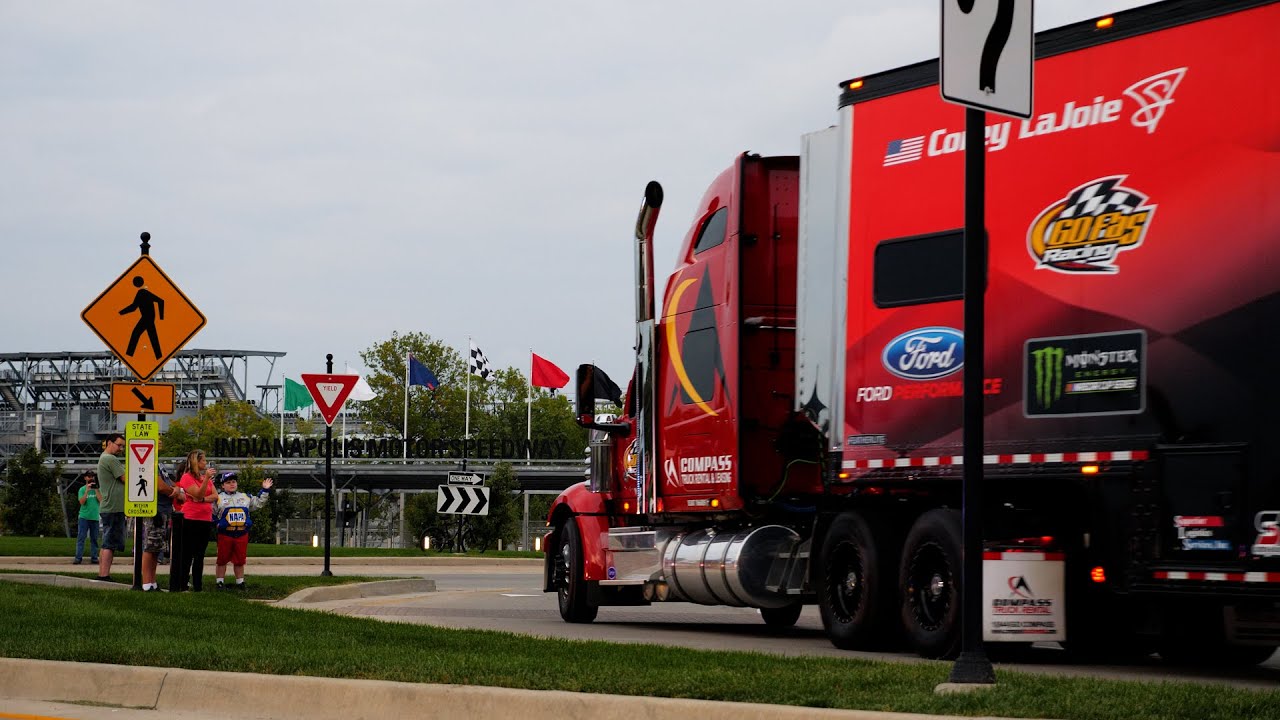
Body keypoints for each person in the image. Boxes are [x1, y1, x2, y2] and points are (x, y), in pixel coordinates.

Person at [213, 472, 274, 590]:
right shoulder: (218, 498)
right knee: (222, 558)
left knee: (240, 559)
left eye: (234, 482)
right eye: (228, 482)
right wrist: (217, 524)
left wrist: (265, 490)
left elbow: (259, 503)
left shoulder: (245, 497)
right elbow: (211, 513)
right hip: (225, 534)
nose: (232, 484)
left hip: (242, 533)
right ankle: (219, 582)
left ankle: (240, 582)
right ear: (222, 486)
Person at [174, 449, 216, 592]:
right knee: (187, 553)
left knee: (200, 554)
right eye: (203, 460)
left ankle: (198, 585)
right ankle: (182, 583)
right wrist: (205, 482)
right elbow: (198, 492)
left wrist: (203, 499)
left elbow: (215, 496)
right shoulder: (187, 477)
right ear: (196, 462)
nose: (206, 463)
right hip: (191, 519)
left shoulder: (205, 478)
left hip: (205, 519)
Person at [140, 468, 179, 592]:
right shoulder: (149, 465)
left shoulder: (160, 466)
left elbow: (170, 482)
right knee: (150, 547)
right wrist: (174, 492)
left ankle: (153, 582)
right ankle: (146, 583)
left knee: (156, 549)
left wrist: (176, 488)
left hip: (164, 510)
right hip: (155, 510)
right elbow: (160, 486)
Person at [96, 433, 126, 581]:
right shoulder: (110, 459)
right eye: (119, 445)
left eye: (123, 446)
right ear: (109, 443)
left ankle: (102, 573)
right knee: (110, 543)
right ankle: (104, 575)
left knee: (107, 542)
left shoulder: (104, 458)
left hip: (108, 506)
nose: (121, 448)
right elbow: (125, 478)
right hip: (114, 507)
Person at [73, 471, 102, 565]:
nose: (91, 478)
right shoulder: (82, 489)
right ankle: (78, 558)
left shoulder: (98, 489)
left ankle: (94, 558)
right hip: (84, 517)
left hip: (95, 517)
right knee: (81, 537)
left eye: (92, 476)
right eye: (89, 476)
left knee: (94, 539)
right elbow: (81, 502)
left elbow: (101, 500)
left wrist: (96, 489)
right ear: (85, 478)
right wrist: (87, 491)